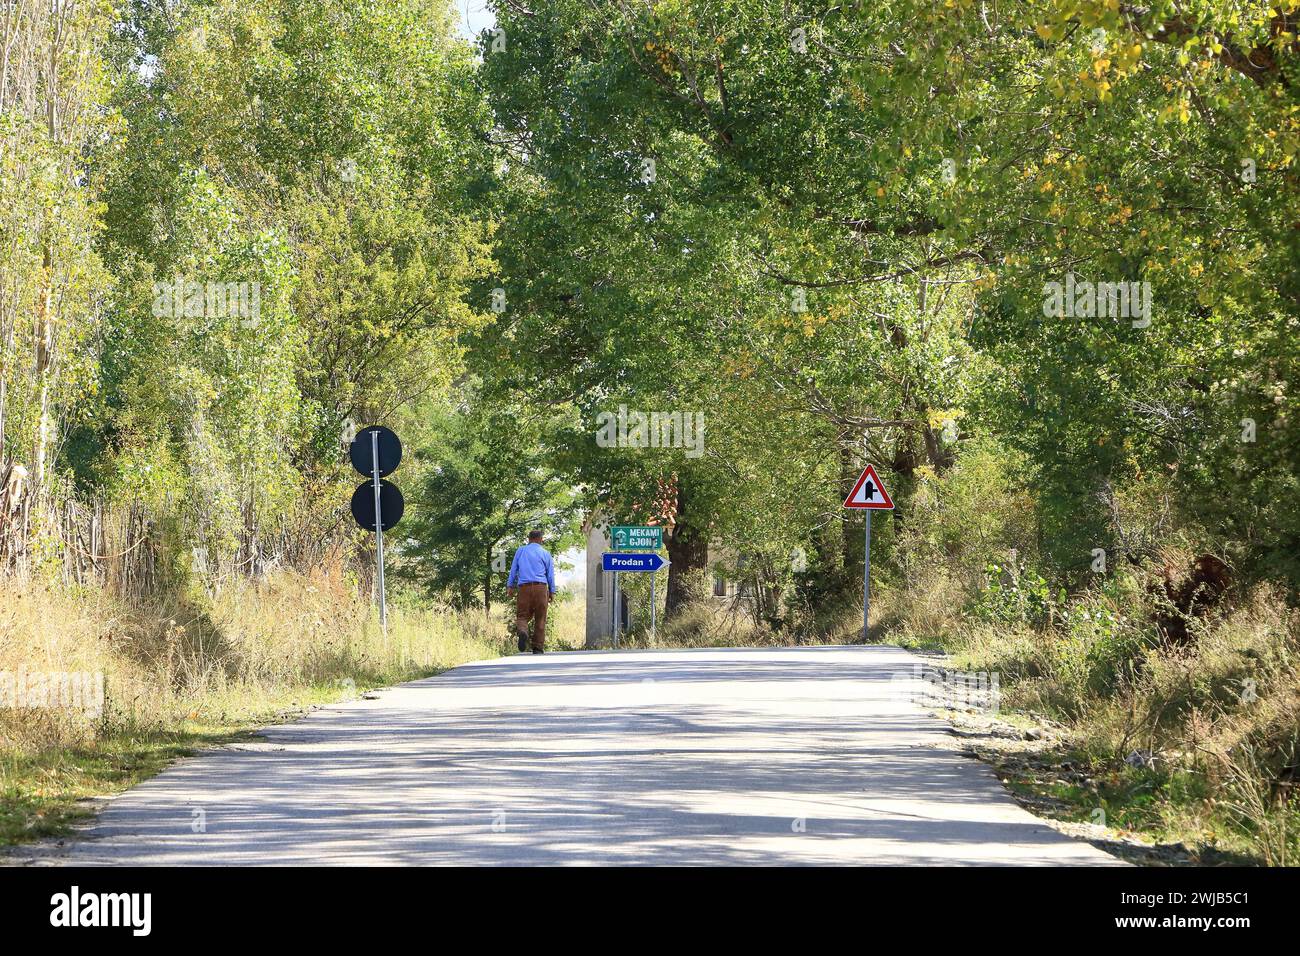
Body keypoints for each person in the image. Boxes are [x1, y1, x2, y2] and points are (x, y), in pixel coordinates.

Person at [506, 529, 556, 654]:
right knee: (540, 617)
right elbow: (550, 574)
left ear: (529, 539)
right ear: (540, 539)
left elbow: (513, 570)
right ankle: (538, 647)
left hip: (524, 588)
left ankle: (523, 631)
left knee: (522, 616)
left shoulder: (521, 551)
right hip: (541, 588)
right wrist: (552, 592)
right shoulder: (545, 553)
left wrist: (510, 586)